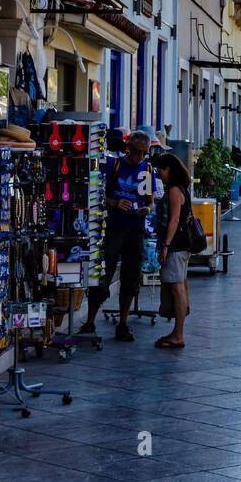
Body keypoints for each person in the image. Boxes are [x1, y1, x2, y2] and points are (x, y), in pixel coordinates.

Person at [80, 129, 154, 344]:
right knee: (103, 274)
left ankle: (123, 323)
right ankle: (90, 320)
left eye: (144, 153)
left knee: (131, 277)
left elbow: (149, 200)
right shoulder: (115, 166)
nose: (139, 157)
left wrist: (147, 210)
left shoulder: (147, 170)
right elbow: (98, 195)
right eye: (136, 152)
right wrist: (114, 203)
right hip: (113, 228)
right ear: (127, 149)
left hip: (135, 229)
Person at [151, 151, 193, 349]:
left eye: (160, 169)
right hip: (180, 245)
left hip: (176, 245)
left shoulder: (175, 190)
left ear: (169, 169)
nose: (158, 173)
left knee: (177, 288)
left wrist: (166, 246)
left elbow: (174, 219)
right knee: (180, 286)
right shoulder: (179, 188)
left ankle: (178, 334)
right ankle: (176, 332)